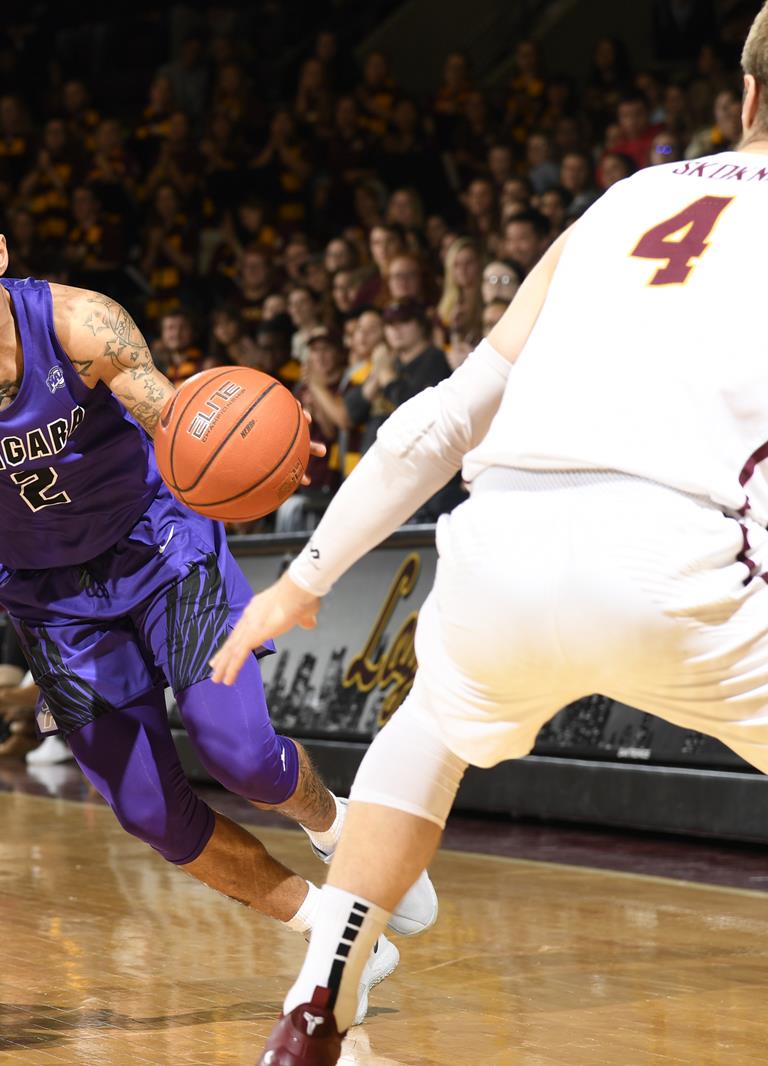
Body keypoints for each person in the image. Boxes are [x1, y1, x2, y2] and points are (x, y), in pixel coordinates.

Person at [235, 14, 768, 1060]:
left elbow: (435, 421)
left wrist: (304, 575)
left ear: (744, 95)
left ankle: (315, 1007)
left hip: (497, 554)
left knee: (428, 725)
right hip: (685, 568)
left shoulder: (624, 199)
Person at [0, 157, 438, 1022]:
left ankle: (336, 826)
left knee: (242, 757)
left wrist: (256, 458)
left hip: (159, 550)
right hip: (48, 598)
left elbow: (180, 423)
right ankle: (337, 931)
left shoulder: (81, 323)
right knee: (153, 812)